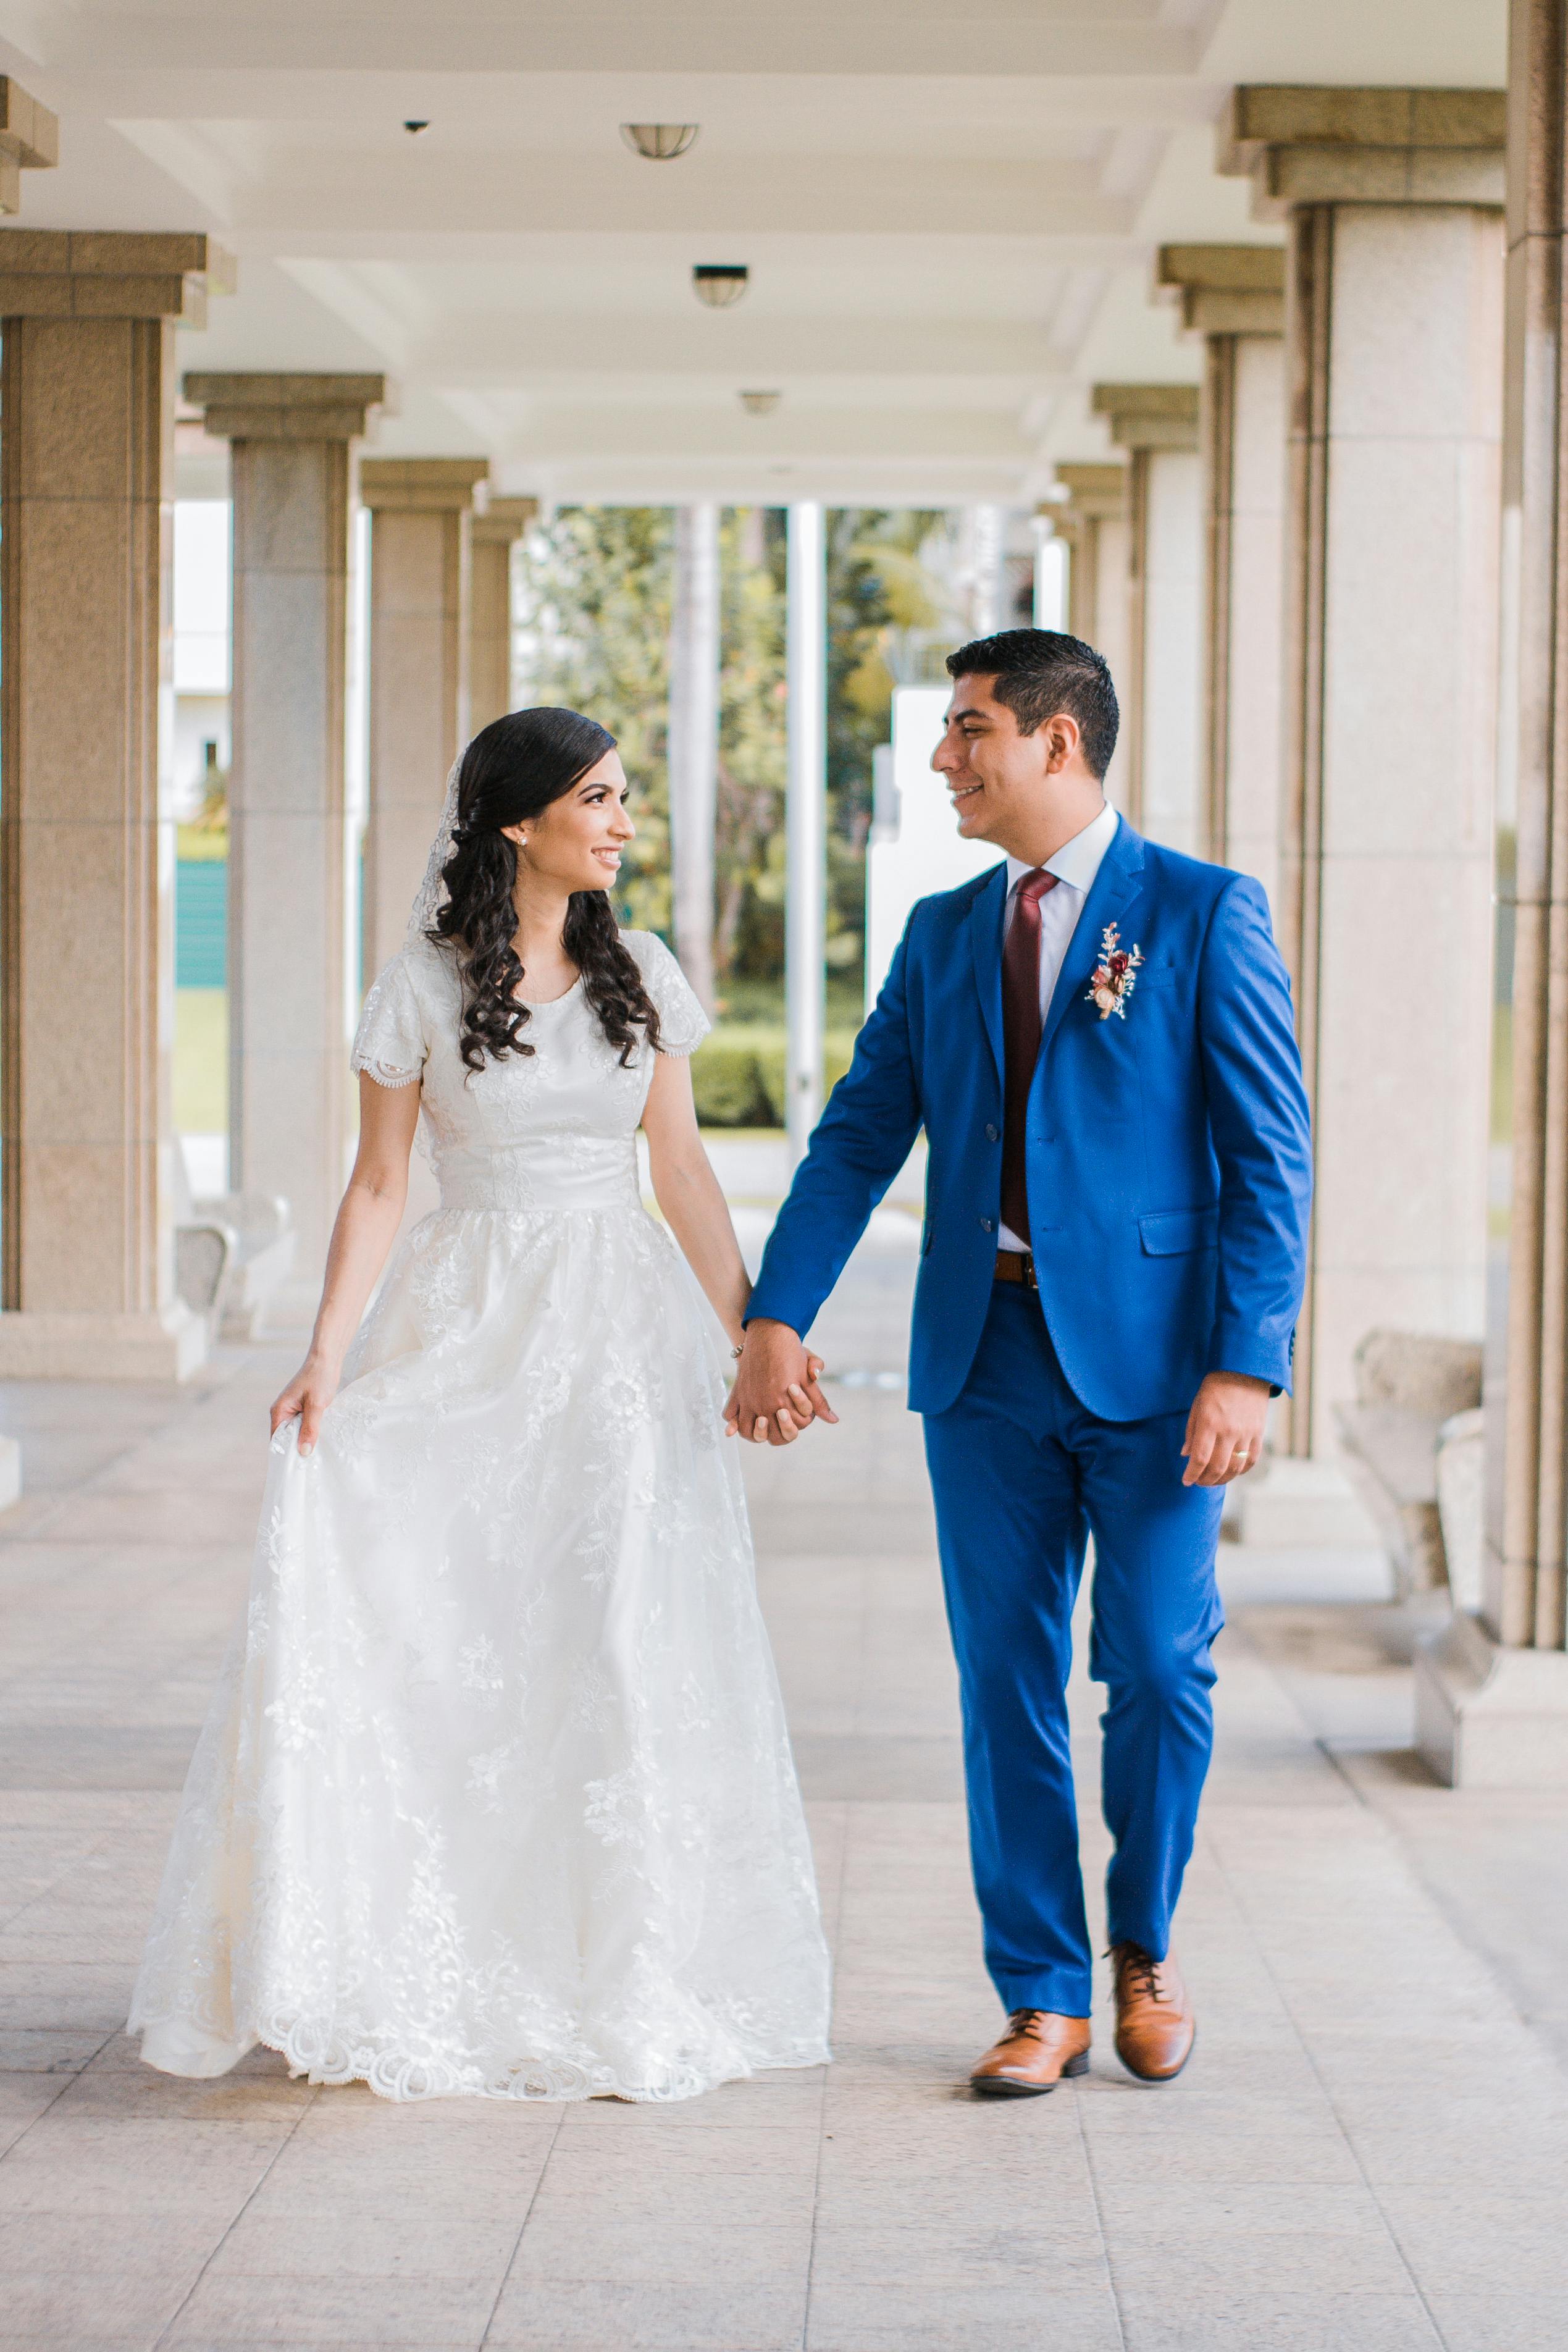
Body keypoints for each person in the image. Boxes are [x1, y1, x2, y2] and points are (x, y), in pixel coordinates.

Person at [130, 707, 832, 2104]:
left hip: (619, 1342)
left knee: (616, 1633)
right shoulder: (421, 986)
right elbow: (380, 1182)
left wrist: (759, 1333)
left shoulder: (644, 970)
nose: (623, 822)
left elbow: (682, 1171)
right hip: (470, 1325)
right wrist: (327, 1355)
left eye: (624, 797)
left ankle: (619, 1967)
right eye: (599, 798)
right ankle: (443, 1949)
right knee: (475, 1636)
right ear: (519, 819)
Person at [729, 629, 1310, 2096]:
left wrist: (1245, 1365)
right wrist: (776, 1310)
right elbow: (860, 1134)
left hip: (1161, 1369)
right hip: (980, 1356)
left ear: (1057, 740)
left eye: (969, 728)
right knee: (1006, 1678)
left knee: (1160, 1664)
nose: (943, 758)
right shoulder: (941, 934)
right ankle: (1041, 1990)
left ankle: (1145, 1945)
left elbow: (1269, 1156)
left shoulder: (1201, 911)